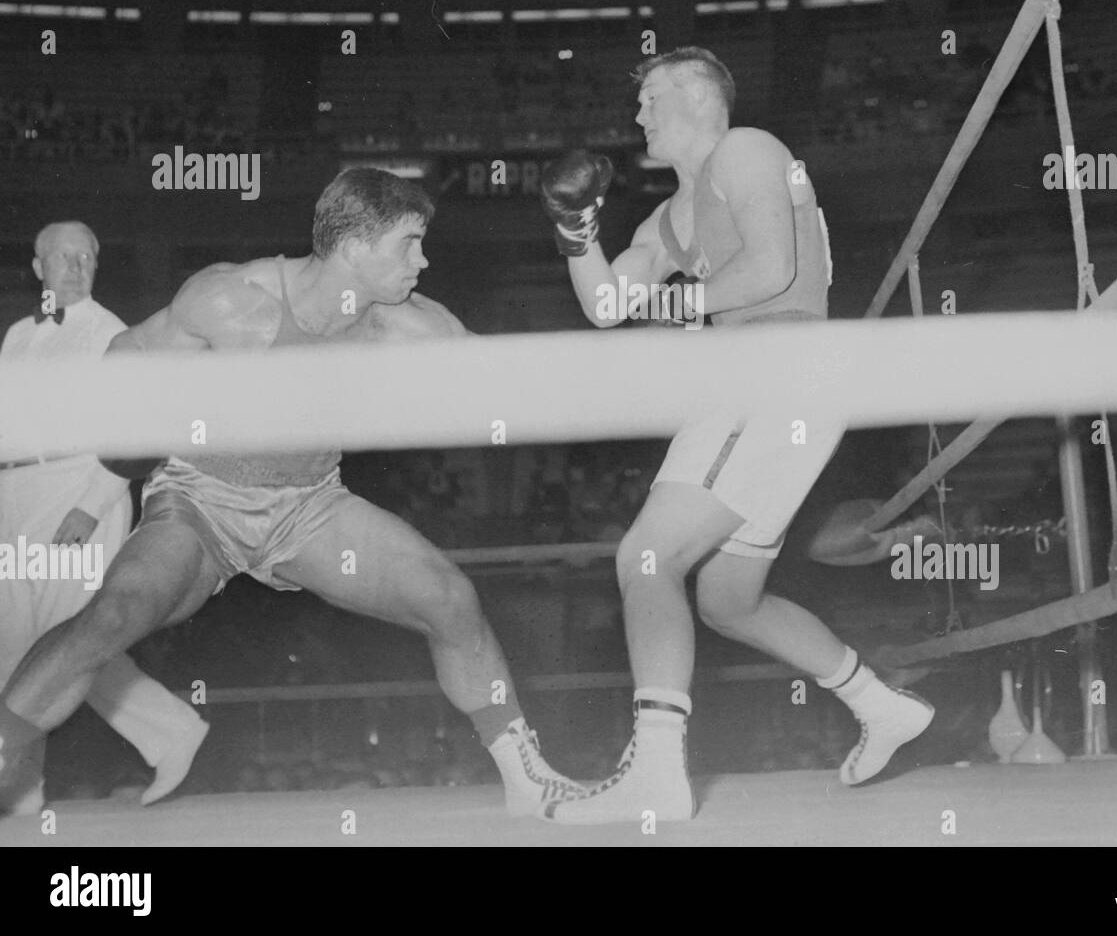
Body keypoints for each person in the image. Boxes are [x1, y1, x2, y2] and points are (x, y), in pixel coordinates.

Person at [0, 172, 584, 817]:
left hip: (308, 505)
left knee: (448, 597)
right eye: (410, 243)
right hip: (200, 500)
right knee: (113, 615)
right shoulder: (233, 300)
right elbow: (127, 350)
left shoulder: (409, 327)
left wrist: (582, 252)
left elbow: (514, 378)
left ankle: (529, 780)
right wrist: (134, 425)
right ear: (357, 248)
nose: (424, 260)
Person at [536, 47, 935, 824]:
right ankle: (879, 703)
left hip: (774, 368)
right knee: (726, 597)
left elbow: (773, 270)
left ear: (699, 94)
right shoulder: (664, 217)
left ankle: (656, 770)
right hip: (775, 385)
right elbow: (609, 305)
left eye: (651, 95)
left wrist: (673, 308)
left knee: (647, 558)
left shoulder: (748, 149)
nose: (640, 112)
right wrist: (576, 235)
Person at [0, 221, 208, 814]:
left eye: (86, 257)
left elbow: (140, 430)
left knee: (64, 639)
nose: (74, 266)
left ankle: (23, 789)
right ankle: (166, 733)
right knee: (28, 645)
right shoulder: (18, 335)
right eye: (62, 257)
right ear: (38, 267)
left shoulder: (114, 334)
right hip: (16, 494)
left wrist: (91, 507)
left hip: (77, 492)